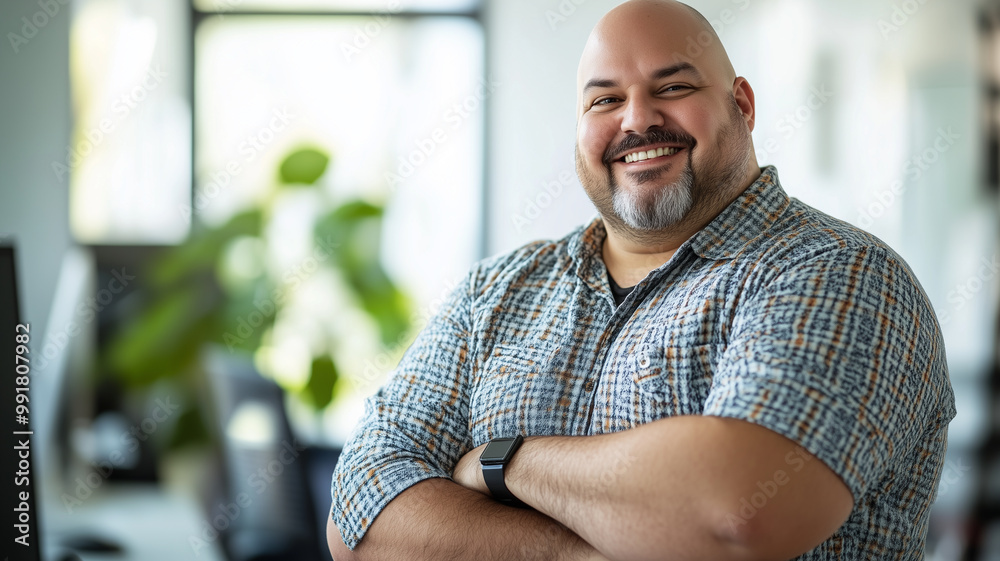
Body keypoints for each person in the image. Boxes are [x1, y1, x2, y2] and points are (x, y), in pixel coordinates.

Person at [327, 0, 957, 559]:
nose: (636, 120)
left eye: (673, 86)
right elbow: (359, 517)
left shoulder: (840, 274)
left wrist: (504, 464)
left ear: (741, 104)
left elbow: (736, 514)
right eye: (605, 100)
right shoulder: (496, 291)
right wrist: (574, 553)